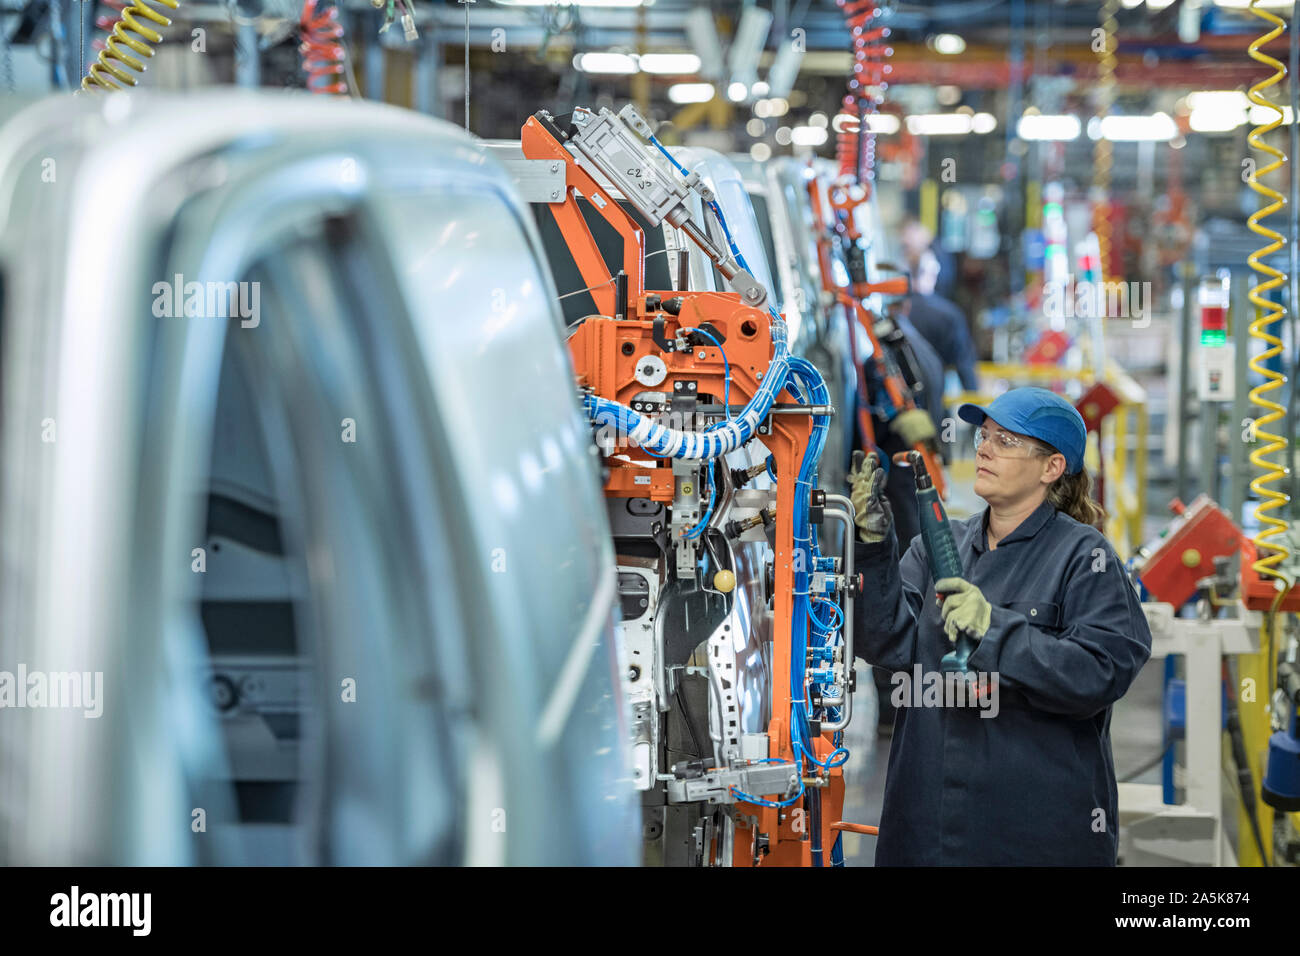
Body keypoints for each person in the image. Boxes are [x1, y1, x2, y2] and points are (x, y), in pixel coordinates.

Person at [846, 386, 1152, 865]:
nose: (984, 448)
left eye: (1006, 441)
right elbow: (886, 643)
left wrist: (993, 629)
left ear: (1051, 468)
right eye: (984, 436)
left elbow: (1100, 673)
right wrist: (870, 548)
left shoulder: (1083, 557)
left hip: (1031, 837)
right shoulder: (939, 544)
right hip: (926, 831)